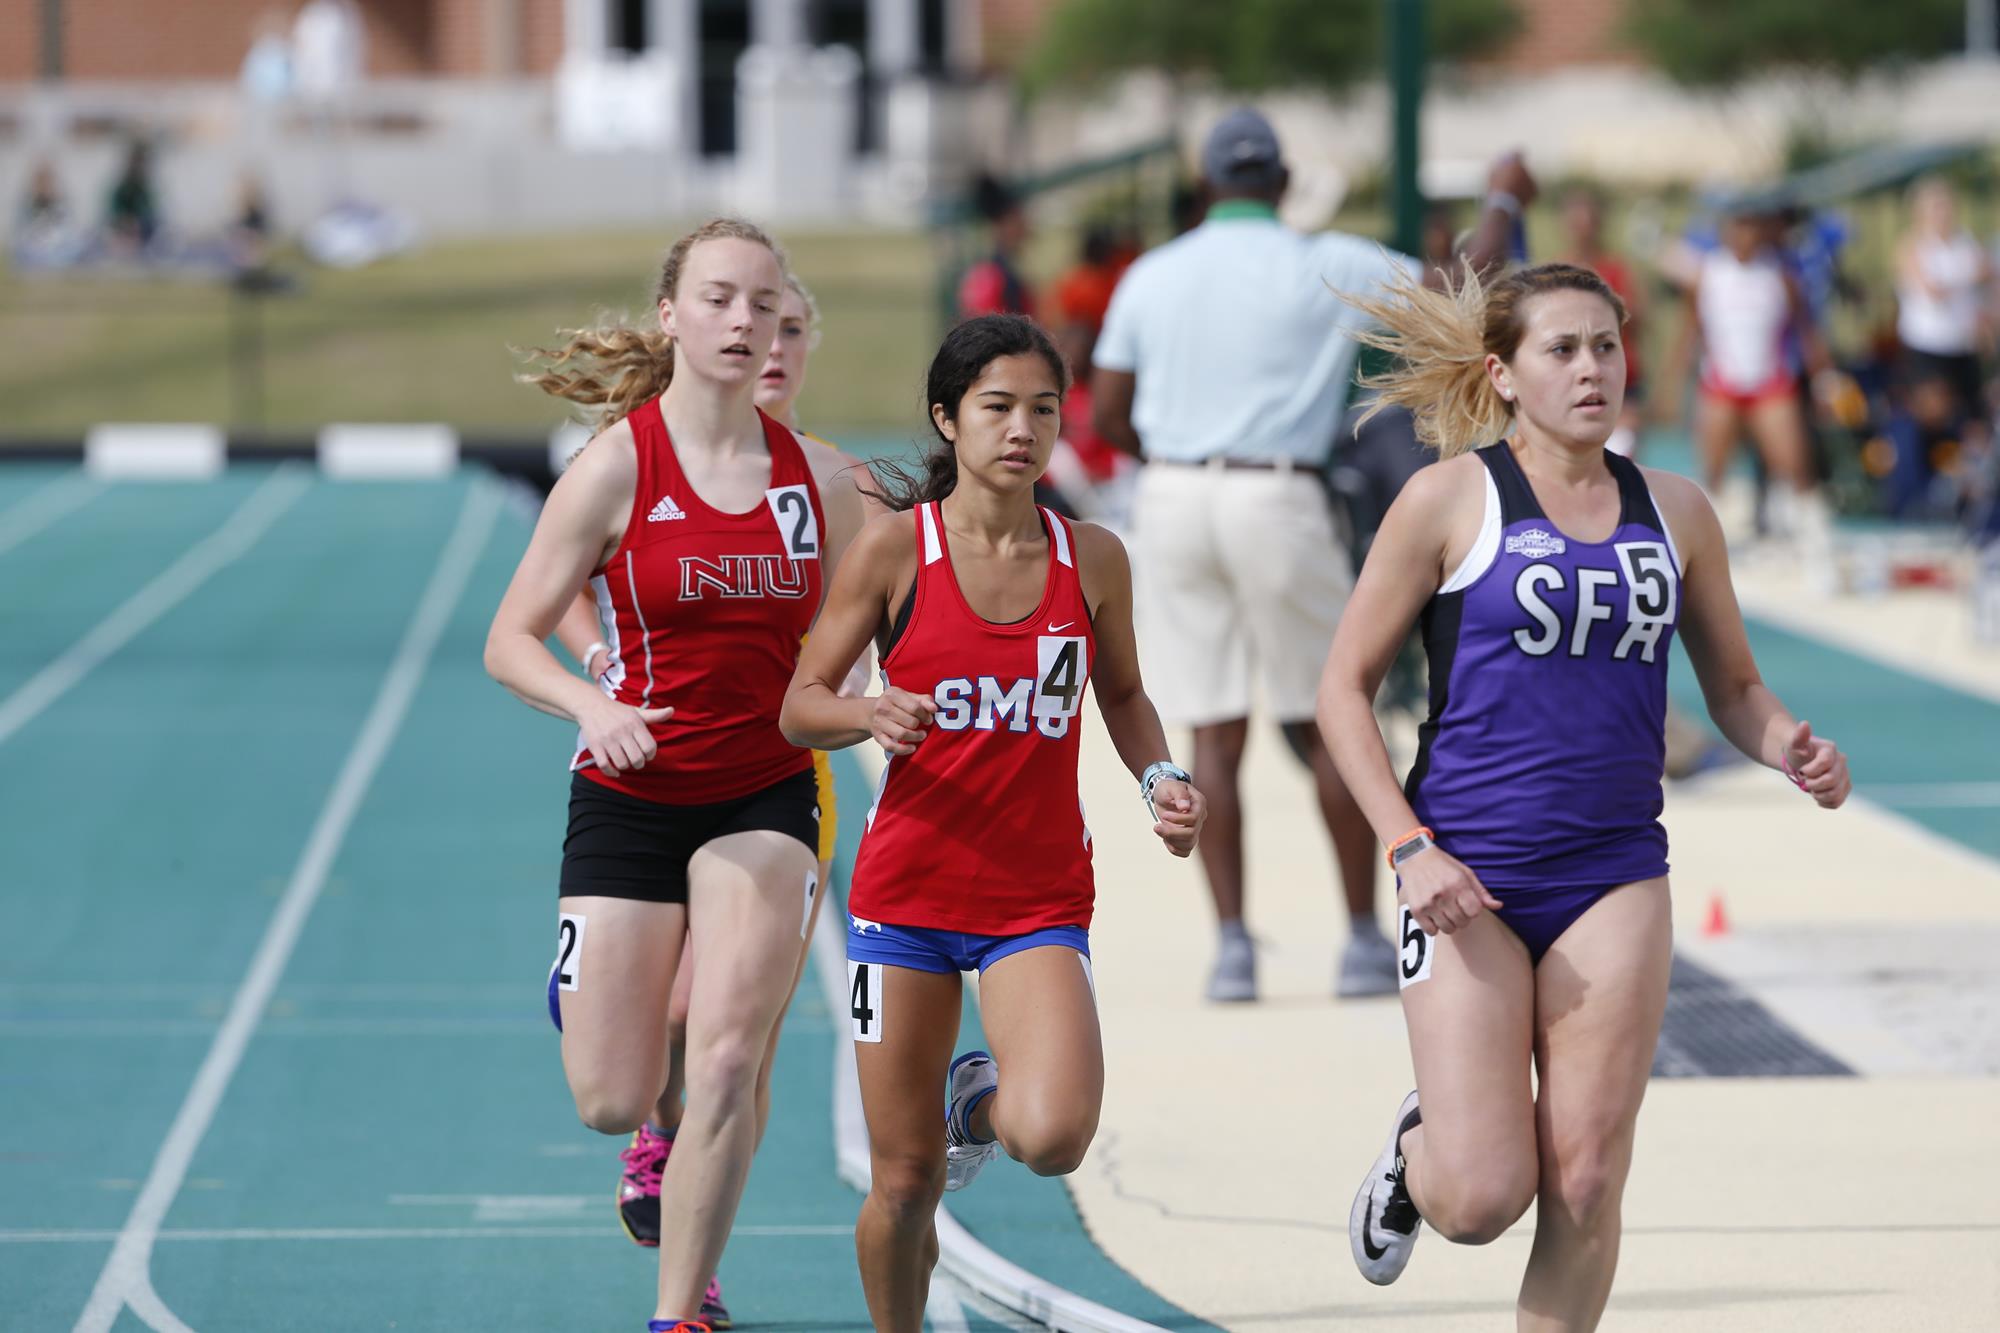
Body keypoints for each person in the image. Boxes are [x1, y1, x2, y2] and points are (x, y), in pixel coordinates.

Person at [1319, 260, 1852, 1330]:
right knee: (1478, 1197)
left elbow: (1734, 689)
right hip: (1463, 870)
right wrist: (1406, 846)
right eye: (1560, 350)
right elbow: (1338, 689)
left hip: (1611, 873)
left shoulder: (1676, 510)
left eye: (1604, 345)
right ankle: (1417, 1148)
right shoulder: (1445, 499)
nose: (1589, 368)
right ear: (1502, 375)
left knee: (1583, 1179)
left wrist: (1789, 743)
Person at [779, 313, 1206, 1333]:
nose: (1021, 428)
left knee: (1051, 1133)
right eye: (997, 407)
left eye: (1042, 409)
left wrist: (1161, 776)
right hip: (906, 904)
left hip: (1034, 900)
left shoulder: (1091, 558)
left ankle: (978, 1100)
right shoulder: (895, 551)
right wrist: (864, 711)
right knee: (902, 1181)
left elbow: (1125, 693)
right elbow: (799, 701)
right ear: (946, 418)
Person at [486, 217, 865, 1333]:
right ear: (671, 315)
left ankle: (678, 1311)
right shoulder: (614, 468)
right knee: (610, 1095)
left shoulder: (827, 483)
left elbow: (890, 617)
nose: (744, 322)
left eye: (763, 303)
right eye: (718, 298)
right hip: (632, 791)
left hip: (765, 792)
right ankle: (599, 999)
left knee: (731, 1048)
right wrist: (591, 700)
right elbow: (510, 636)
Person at [1090, 106, 1537, 1002]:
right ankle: (1363, 935)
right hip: (1279, 492)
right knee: (1330, 712)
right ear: (1283, 184)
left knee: (1212, 728)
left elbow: (1105, 411)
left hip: (1175, 496)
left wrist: (1179, 453)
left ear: (1207, 184)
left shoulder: (1153, 272)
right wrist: (1502, 198)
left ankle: (1231, 947)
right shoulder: (1322, 258)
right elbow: (1462, 282)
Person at [1665, 203, 1832, 548]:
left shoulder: (1780, 277)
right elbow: (1689, 334)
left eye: (1751, 228)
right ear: (1726, 233)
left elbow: (1807, 332)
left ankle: (1815, 545)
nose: (1745, 237)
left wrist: (1825, 381)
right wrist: (1671, 387)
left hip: (1769, 385)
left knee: (1795, 467)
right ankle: (1703, 548)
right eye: (1738, 228)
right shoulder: (1708, 275)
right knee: (1712, 471)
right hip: (1721, 385)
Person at [1895, 176, 1994, 453]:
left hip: (1963, 343)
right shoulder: (1913, 245)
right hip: (1928, 345)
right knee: (1934, 412)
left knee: (1975, 415)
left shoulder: (1965, 240)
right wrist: (1968, 277)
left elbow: (1987, 274)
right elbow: (1931, 289)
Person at [1557, 185, 1645, 458]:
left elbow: (1638, 320)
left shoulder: (1616, 269)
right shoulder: (1556, 271)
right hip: (1571, 380)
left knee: (1621, 457)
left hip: (1618, 379)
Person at [956, 172, 1034, 321]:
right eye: (1018, 219)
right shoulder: (990, 276)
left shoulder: (1004, 269)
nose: (1026, 226)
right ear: (1003, 224)